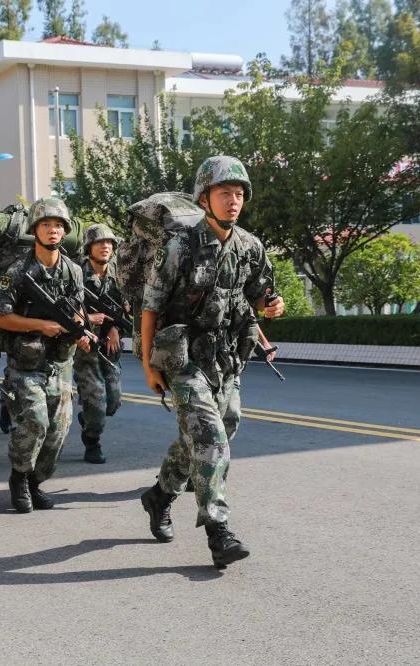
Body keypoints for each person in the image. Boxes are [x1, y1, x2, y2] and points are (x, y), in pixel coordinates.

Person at [139, 155, 284, 569]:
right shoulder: (179, 246)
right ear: (205, 198)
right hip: (183, 357)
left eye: (239, 194)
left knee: (224, 426)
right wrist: (150, 365)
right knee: (208, 437)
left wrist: (271, 306)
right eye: (225, 193)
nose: (233, 201)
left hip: (227, 356)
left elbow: (260, 294)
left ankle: (160, 495)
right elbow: (150, 307)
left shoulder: (250, 247)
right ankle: (218, 531)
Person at [0, 196, 92, 514]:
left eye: (58, 225)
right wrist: (39, 325)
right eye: (46, 224)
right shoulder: (18, 271)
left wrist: (82, 330)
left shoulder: (73, 271)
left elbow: (78, 310)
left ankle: (35, 482)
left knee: (58, 431)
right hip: (25, 364)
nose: (53, 230)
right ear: (35, 229)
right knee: (34, 422)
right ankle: (19, 479)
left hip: (60, 364)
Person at [73, 223, 125, 465]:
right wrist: (86, 321)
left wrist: (116, 327)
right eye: (99, 242)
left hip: (109, 347)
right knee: (96, 402)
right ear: (89, 247)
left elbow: (126, 309)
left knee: (112, 402)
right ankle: (92, 442)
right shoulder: (75, 274)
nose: (105, 246)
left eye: (109, 243)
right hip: (84, 348)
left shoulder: (120, 274)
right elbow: (65, 309)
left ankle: (89, 418)